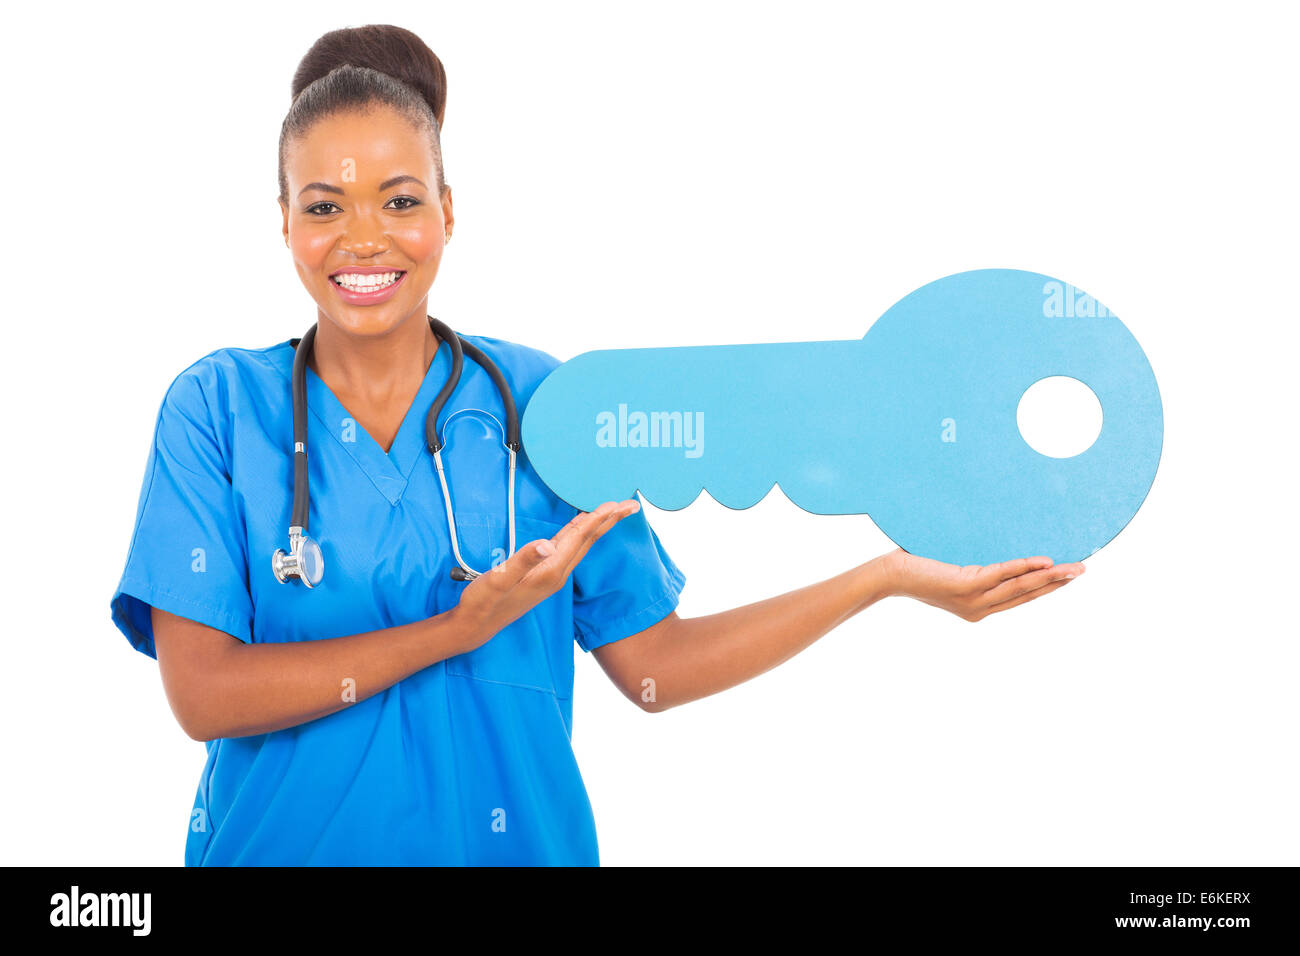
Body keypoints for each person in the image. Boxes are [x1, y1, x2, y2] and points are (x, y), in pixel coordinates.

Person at [109, 24, 1086, 866]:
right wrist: (457, 628)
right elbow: (204, 694)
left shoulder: (548, 406)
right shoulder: (216, 409)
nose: (363, 237)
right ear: (284, 223)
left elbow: (653, 667)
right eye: (324, 205)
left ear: (448, 213)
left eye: (400, 200)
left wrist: (882, 576)